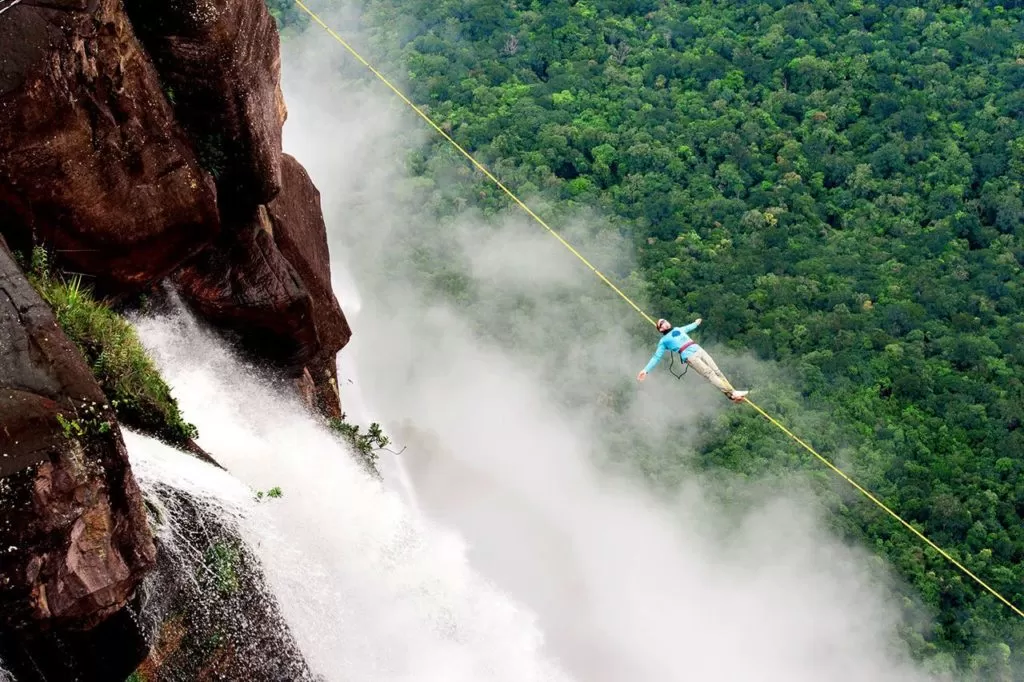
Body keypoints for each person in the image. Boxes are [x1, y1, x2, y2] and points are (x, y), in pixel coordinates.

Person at [636, 318, 749, 402]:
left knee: (716, 370)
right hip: (689, 356)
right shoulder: (664, 341)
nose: (664, 322)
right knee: (709, 374)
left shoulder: (678, 329)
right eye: (661, 323)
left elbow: (688, 327)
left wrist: (696, 323)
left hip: (698, 349)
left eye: (664, 320)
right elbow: (656, 357)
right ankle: (733, 392)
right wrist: (645, 370)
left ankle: (732, 395)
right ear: (660, 329)